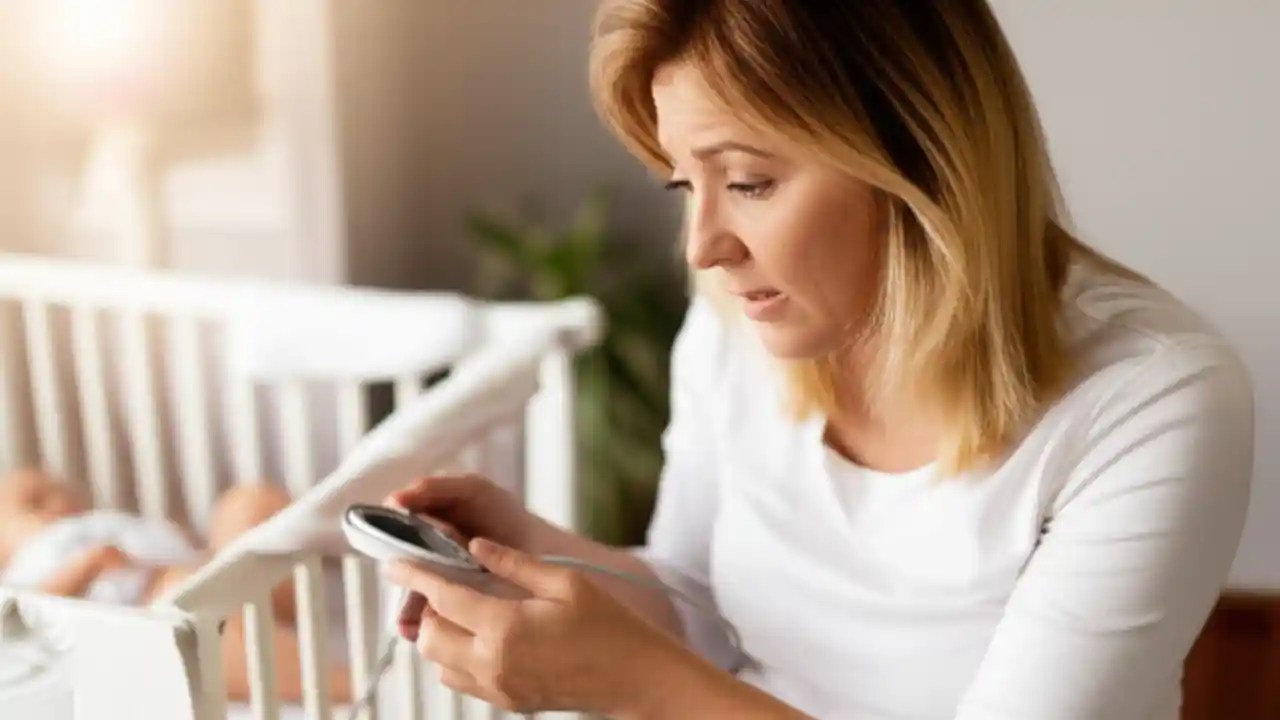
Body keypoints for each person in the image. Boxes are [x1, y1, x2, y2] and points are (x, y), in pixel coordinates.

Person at [382, 2, 1256, 718]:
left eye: (750, 183)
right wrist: (536, 554)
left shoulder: (1153, 401)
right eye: (687, 185)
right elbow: (701, 600)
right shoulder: (741, 318)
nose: (703, 249)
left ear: (918, 154)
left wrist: (635, 681)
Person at [0, 468, 351, 703]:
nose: (57, 502)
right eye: (32, 503)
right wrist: (87, 566)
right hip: (151, 614)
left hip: (213, 570)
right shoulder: (24, 570)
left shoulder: (104, 520)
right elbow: (27, 616)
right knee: (195, 613)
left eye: (56, 491)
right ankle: (344, 683)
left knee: (246, 502)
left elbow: (183, 543)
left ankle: (359, 546)